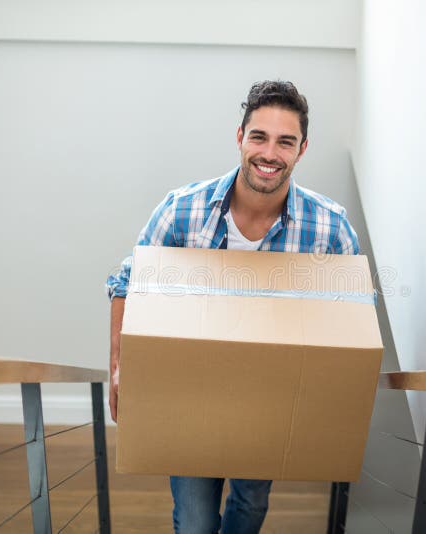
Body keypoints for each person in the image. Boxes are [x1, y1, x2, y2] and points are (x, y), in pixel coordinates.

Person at [106, 80, 360, 534]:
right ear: (240, 137)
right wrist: (120, 367)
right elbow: (127, 283)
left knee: (252, 503)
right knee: (195, 522)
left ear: (302, 150)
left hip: (269, 401)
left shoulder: (329, 229)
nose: (270, 153)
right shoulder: (182, 211)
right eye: (259, 137)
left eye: (286, 141)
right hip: (187, 394)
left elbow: (354, 314)